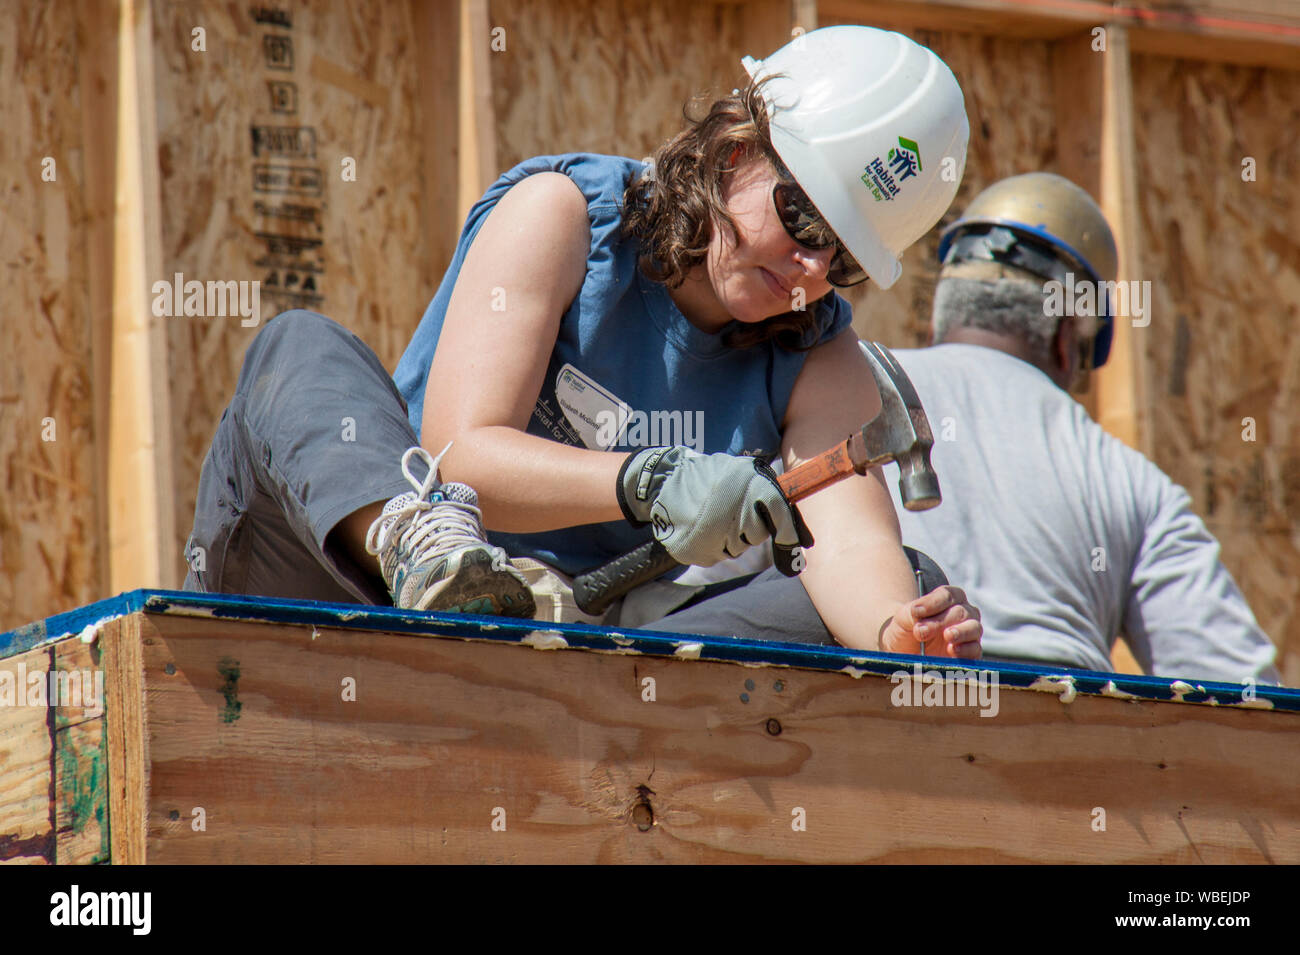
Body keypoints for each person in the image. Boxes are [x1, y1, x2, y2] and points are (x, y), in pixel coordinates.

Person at [184, 25, 982, 658]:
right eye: (804, 218)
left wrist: (898, 633)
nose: (811, 267)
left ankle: (600, 703)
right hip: (363, 591)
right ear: (738, 153)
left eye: (840, 257)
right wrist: (647, 481)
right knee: (298, 347)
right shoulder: (565, 217)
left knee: (912, 582)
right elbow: (459, 453)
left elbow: (852, 545)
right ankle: (420, 551)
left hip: (568, 641)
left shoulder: (817, 353)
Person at [883, 172, 1280, 682]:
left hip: (884, 716)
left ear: (944, 307)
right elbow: (1242, 693)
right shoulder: (1133, 482)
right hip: (1061, 744)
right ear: (1068, 339)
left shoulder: (852, 390)